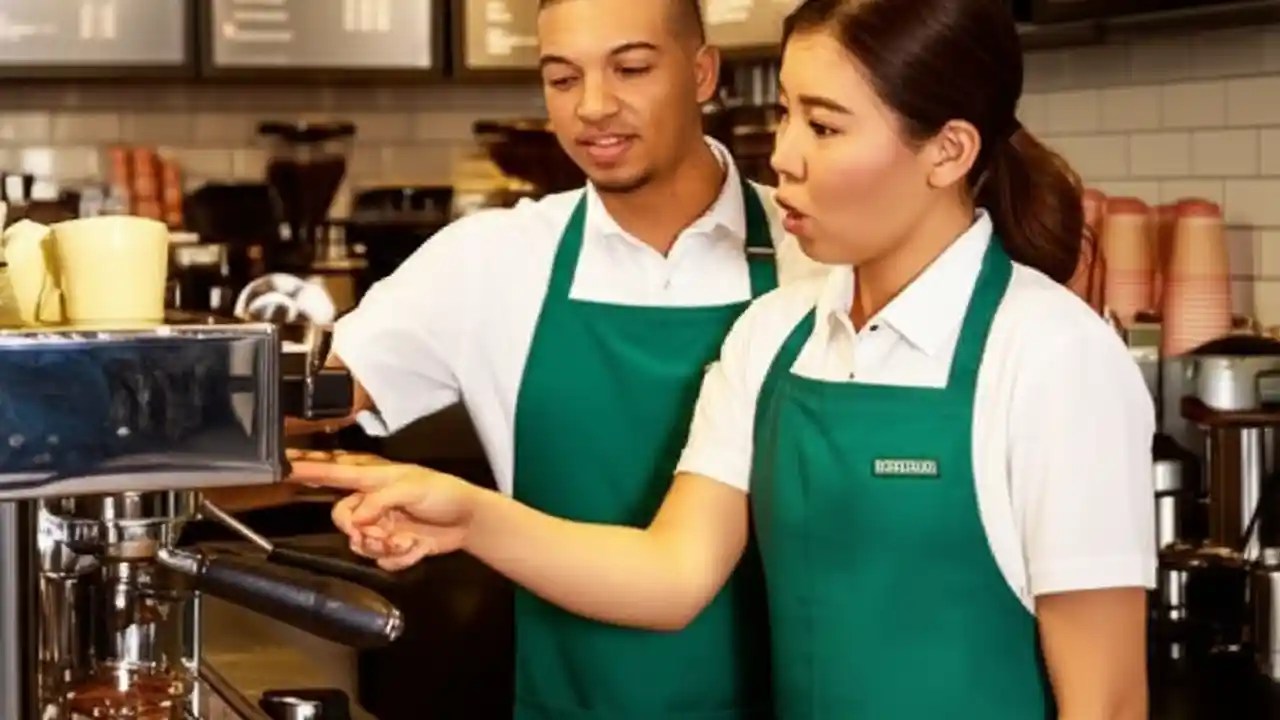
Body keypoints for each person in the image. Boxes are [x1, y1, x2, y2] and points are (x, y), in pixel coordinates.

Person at [289, 0, 1156, 717]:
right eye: (787, 114)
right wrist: (470, 515)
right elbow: (671, 576)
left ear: (950, 150)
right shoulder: (778, 333)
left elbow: (1108, 703)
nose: (782, 157)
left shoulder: (1053, 356)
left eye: (823, 124)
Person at [282, 0, 823, 718]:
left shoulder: (814, 256)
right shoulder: (494, 259)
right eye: (563, 79)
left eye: (630, 68)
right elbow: (314, 396)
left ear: (701, 73)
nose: (593, 107)